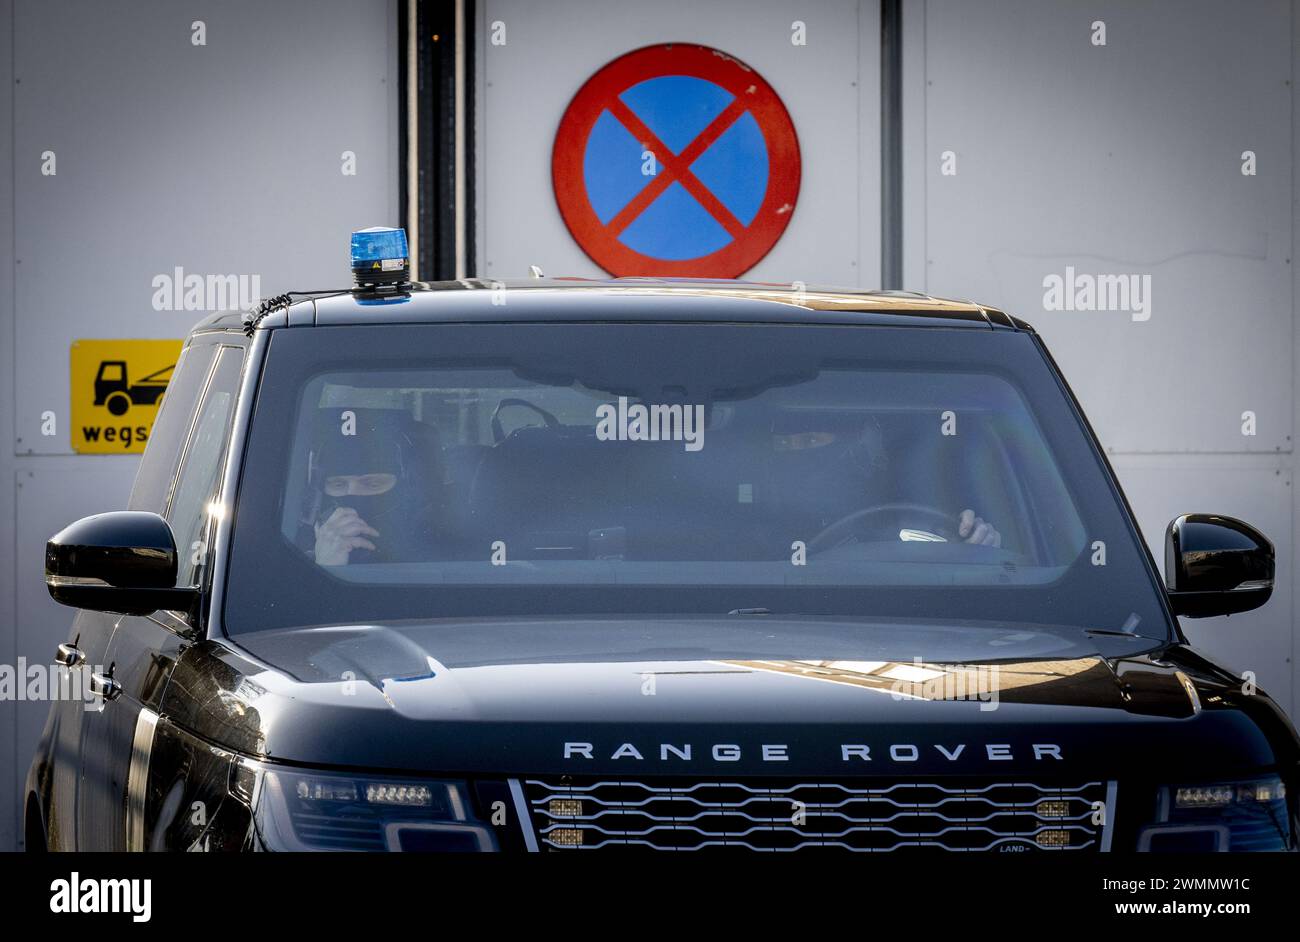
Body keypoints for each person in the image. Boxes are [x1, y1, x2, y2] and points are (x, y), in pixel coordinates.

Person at [309, 410, 444, 566]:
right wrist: (326, 565)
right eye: (339, 485)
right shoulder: (293, 547)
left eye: (372, 484)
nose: (353, 495)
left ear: (406, 485)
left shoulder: (448, 546)